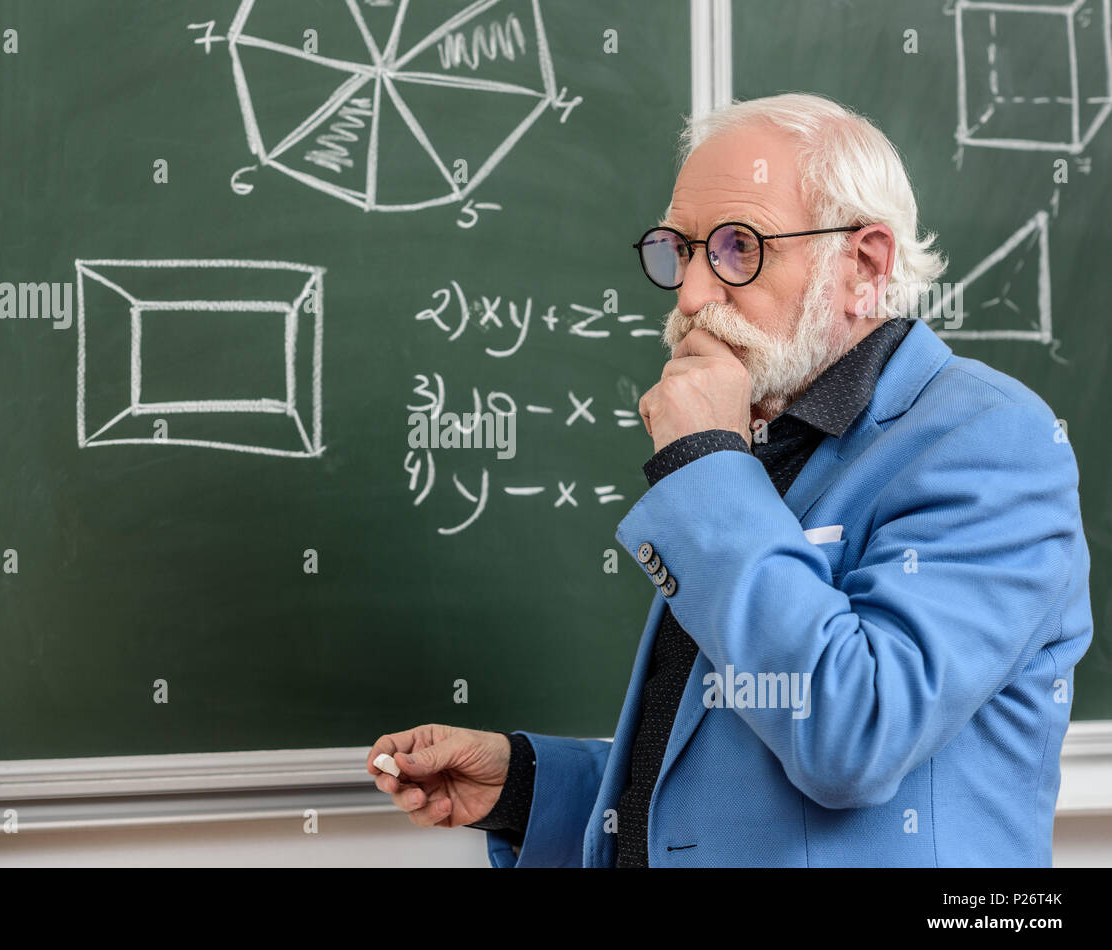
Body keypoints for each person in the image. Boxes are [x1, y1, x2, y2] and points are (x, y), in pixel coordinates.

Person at [367, 93, 1093, 867]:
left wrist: (708, 465)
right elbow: (726, 772)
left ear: (865, 265)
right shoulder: (766, 446)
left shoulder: (990, 440)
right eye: (679, 250)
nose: (690, 296)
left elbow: (854, 733)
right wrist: (528, 786)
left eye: (739, 247)